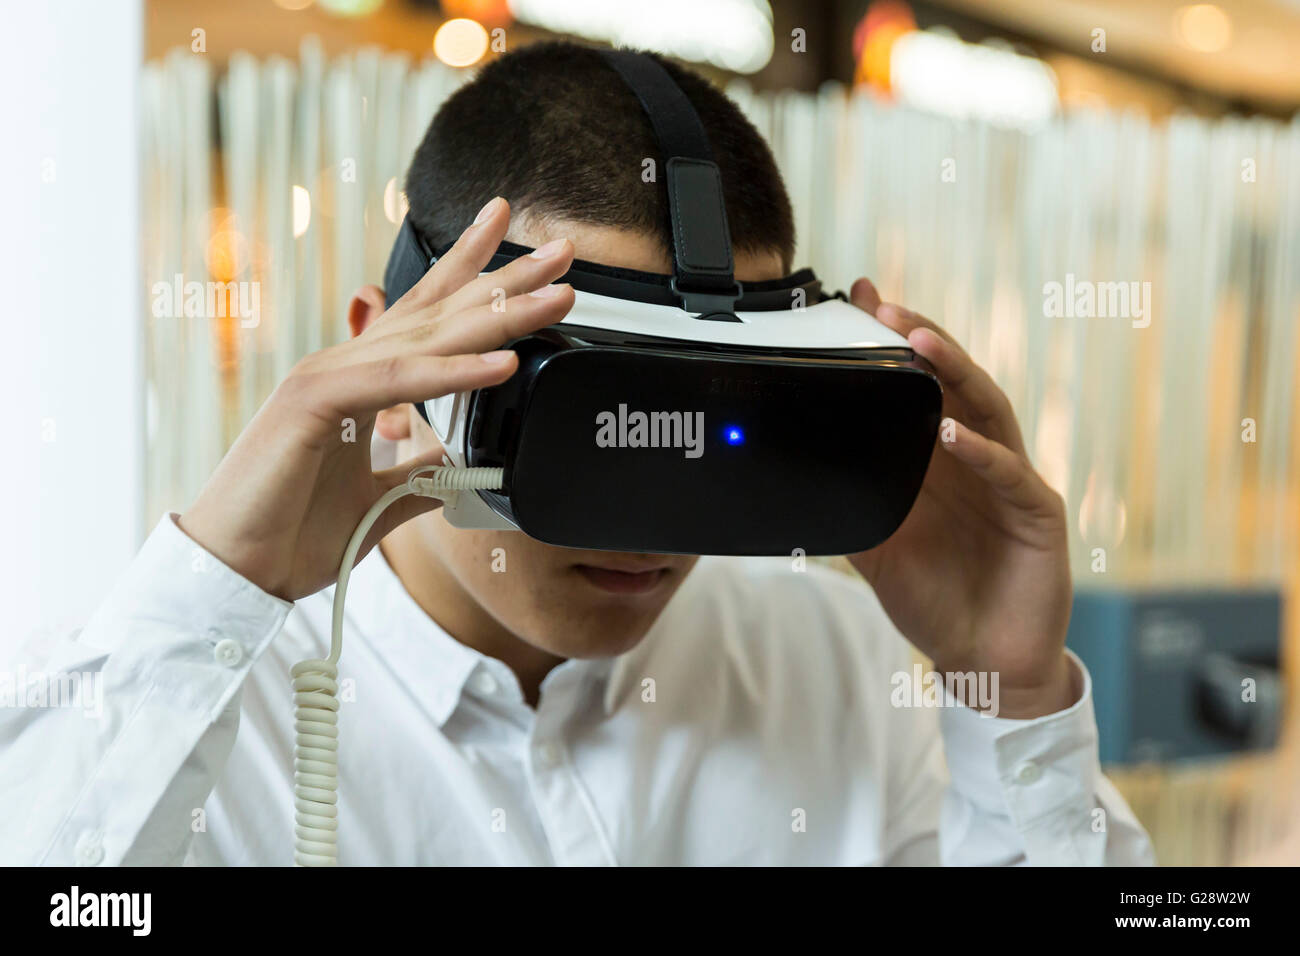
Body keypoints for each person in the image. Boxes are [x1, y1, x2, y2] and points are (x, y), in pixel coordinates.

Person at [0, 42, 1153, 866]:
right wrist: (216, 587)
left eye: (711, 421)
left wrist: (1011, 694)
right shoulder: (179, 700)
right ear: (394, 362)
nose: (652, 518)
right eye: (589, 411)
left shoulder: (844, 664)